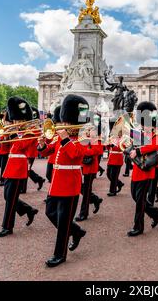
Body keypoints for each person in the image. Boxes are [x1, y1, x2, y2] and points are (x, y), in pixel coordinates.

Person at [40, 95, 88, 268]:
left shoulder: (85, 137)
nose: (64, 125)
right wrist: (42, 145)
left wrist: (66, 138)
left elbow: (76, 155)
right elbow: (49, 152)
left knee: (63, 221)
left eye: (66, 122)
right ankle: (76, 231)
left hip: (70, 183)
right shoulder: (61, 137)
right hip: (57, 182)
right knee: (50, 212)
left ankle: (59, 255)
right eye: (64, 122)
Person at [0, 97, 39, 237]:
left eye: (20, 121)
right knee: (7, 196)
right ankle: (28, 210)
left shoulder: (31, 132)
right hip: (10, 167)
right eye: (16, 120)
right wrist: (6, 135)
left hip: (19, 168)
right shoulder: (16, 132)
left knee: (11, 199)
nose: (17, 123)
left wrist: (13, 133)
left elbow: (22, 146)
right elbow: (6, 144)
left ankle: (7, 227)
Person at [127, 101, 158, 237]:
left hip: (147, 171)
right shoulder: (138, 133)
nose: (143, 126)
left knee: (140, 202)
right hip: (137, 170)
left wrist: (139, 150)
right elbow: (131, 147)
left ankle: (138, 227)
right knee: (135, 197)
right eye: (142, 124)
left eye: (145, 124)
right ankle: (154, 212)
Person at [76, 121, 104, 222]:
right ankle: (95, 199)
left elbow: (98, 151)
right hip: (82, 165)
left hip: (91, 167)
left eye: (90, 129)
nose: (88, 130)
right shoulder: (83, 138)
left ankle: (84, 213)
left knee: (86, 190)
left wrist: (84, 151)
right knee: (80, 188)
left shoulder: (97, 139)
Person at [20, 106, 45, 193]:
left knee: (26, 169)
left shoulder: (36, 129)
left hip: (30, 152)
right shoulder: (28, 128)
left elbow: (28, 141)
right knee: (26, 169)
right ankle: (39, 179)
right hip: (25, 152)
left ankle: (23, 188)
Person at [106, 124, 125, 197]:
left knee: (113, 176)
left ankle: (112, 191)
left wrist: (115, 146)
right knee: (108, 174)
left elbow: (123, 148)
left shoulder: (123, 139)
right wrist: (108, 145)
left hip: (117, 159)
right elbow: (108, 148)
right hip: (111, 159)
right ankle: (119, 183)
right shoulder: (112, 138)